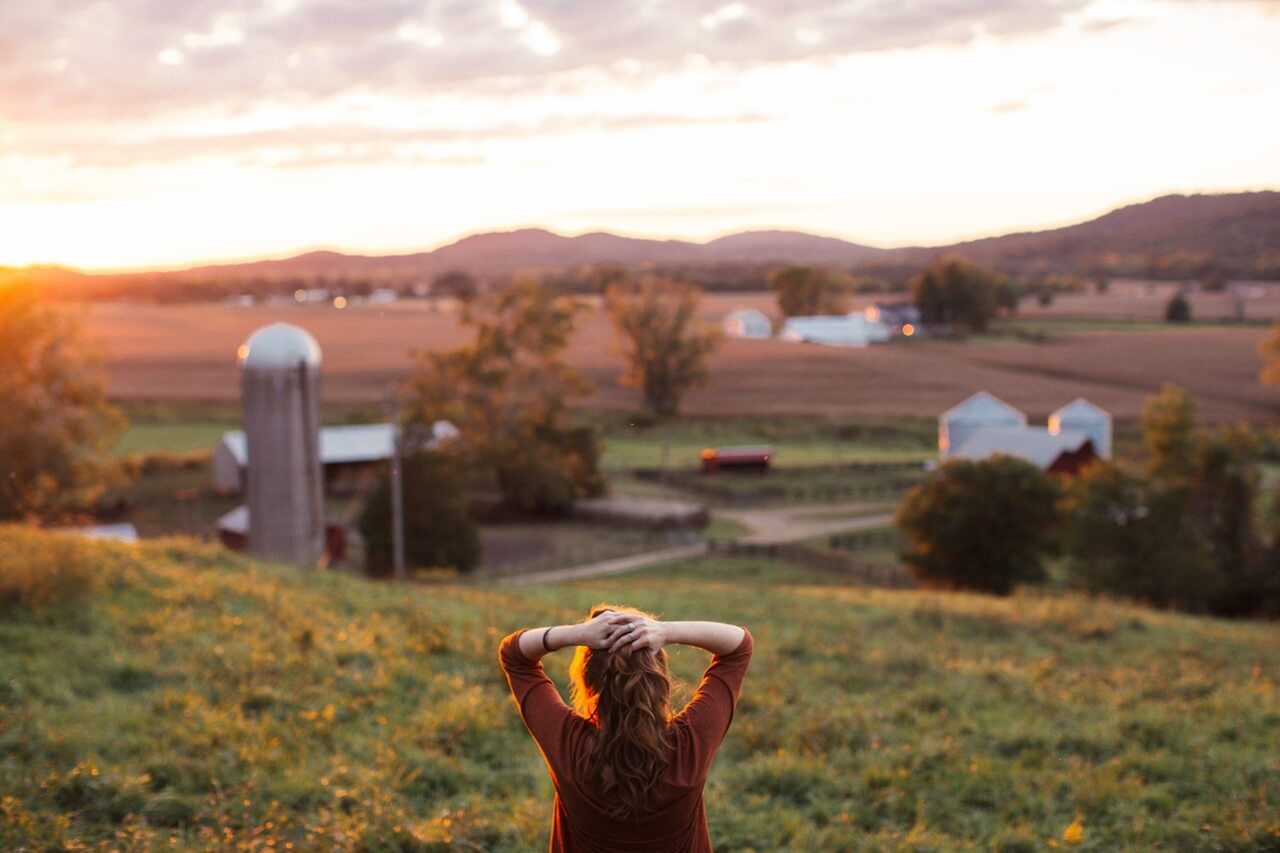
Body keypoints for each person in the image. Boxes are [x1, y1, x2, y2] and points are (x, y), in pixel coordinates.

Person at [498, 604, 753, 852]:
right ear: (658, 675)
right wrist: (664, 631)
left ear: (589, 679)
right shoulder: (688, 747)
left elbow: (514, 655)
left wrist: (577, 634)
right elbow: (738, 647)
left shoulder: (569, 745)